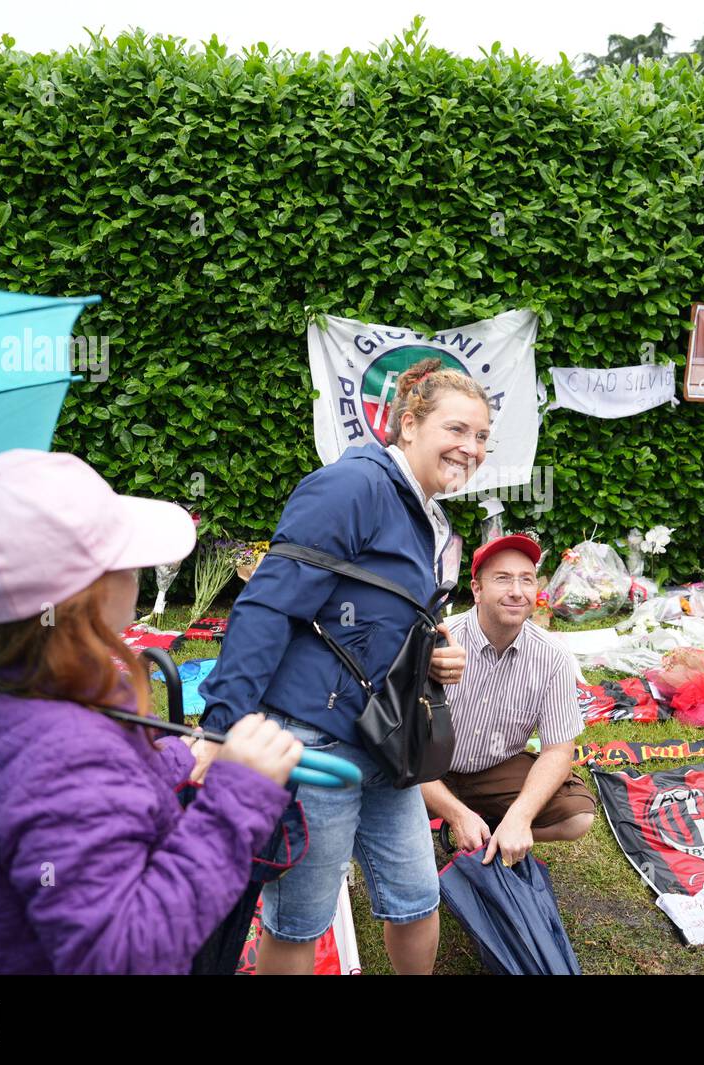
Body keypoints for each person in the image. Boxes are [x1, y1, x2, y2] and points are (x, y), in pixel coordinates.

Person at [0, 450, 302, 975]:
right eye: (127, 562)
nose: (138, 574)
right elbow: (126, 954)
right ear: (93, 593)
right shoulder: (66, 751)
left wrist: (179, 757)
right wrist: (236, 798)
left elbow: (85, 792)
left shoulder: (9, 693)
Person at [198, 357, 491, 975]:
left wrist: (429, 656)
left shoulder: (426, 512)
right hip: (315, 740)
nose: (471, 447)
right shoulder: (352, 486)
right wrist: (221, 728)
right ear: (408, 425)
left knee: (416, 898)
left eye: (482, 436)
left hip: (386, 740)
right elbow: (268, 605)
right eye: (457, 429)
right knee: (300, 918)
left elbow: (370, 613)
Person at [422, 534, 594, 865]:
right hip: (427, 768)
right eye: (502, 579)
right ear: (476, 590)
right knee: (369, 792)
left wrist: (520, 816)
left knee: (577, 815)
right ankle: (454, 821)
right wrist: (455, 813)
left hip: (493, 768)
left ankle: (490, 828)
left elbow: (558, 750)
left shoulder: (553, 657)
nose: (517, 591)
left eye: (526, 580)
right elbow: (402, 748)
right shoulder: (438, 641)